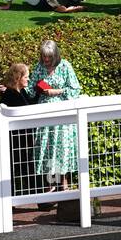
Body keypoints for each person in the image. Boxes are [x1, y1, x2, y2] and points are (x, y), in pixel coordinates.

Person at [31, 40, 81, 191]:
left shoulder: (65, 65)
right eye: (44, 56)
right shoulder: (39, 66)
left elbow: (75, 89)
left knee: (62, 148)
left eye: (49, 57)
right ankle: (50, 185)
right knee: (46, 147)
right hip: (44, 115)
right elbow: (30, 88)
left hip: (62, 114)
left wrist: (56, 91)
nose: (46, 60)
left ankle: (64, 184)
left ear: (55, 55)